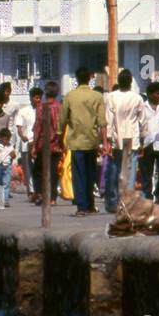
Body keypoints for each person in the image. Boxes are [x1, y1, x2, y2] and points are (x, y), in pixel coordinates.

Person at [59, 68, 106, 217]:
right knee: (91, 173)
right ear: (90, 78)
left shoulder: (70, 96)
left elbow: (62, 119)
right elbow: (102, 121)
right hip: (92, 140)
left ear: (77, 79)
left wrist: (60, 135)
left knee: (78, 174)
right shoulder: (97, 96)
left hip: (76, 140)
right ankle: (90, 204)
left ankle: (81, 206)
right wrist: (104, 141)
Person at [104, 68, 146, 214]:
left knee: (115, 169)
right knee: (131, 169)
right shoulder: (137, 98)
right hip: (133, 136)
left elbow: (108, 120)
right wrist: (143, 139)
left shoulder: (111, 97)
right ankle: (128, 201)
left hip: (118, 137)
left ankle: (113, 201)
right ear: (130, 82)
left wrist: (108, 140)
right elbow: (143, 121)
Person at [28, 87, 62, 205]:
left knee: (38, 171)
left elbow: (38, 128)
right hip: (57, 144)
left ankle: (41, 193)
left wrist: (34, 146)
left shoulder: (41, 107)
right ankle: (52, 198)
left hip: (43, 144)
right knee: (53, 171)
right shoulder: (60, 107)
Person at [139, 81, 159, 201]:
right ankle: (148, 196)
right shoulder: (143, 106)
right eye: (157, 93)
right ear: (150, 94)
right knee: (146, 172)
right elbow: (140, 124)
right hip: (147, 142)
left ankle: (158, 191)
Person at [12, 89, 36, 198]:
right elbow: (19, 127)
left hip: (39, 144)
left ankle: (38, 190)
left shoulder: (43, 110)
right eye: (36, 97)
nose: (38, 100)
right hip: (27, 143)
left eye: (40, 97)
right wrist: (22, 136)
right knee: (28, 168)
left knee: (38, 168)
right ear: (31, 98)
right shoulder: (24, 111)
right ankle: (31, 190)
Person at [0, 127, 16, 207]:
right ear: (0, 138)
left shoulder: (10, 146)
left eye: (7, 140)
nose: (6, 141)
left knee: (6, 183)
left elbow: (13, 154)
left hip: (7, 166)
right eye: (4, 139)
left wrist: (13, 155)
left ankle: (5, 200)